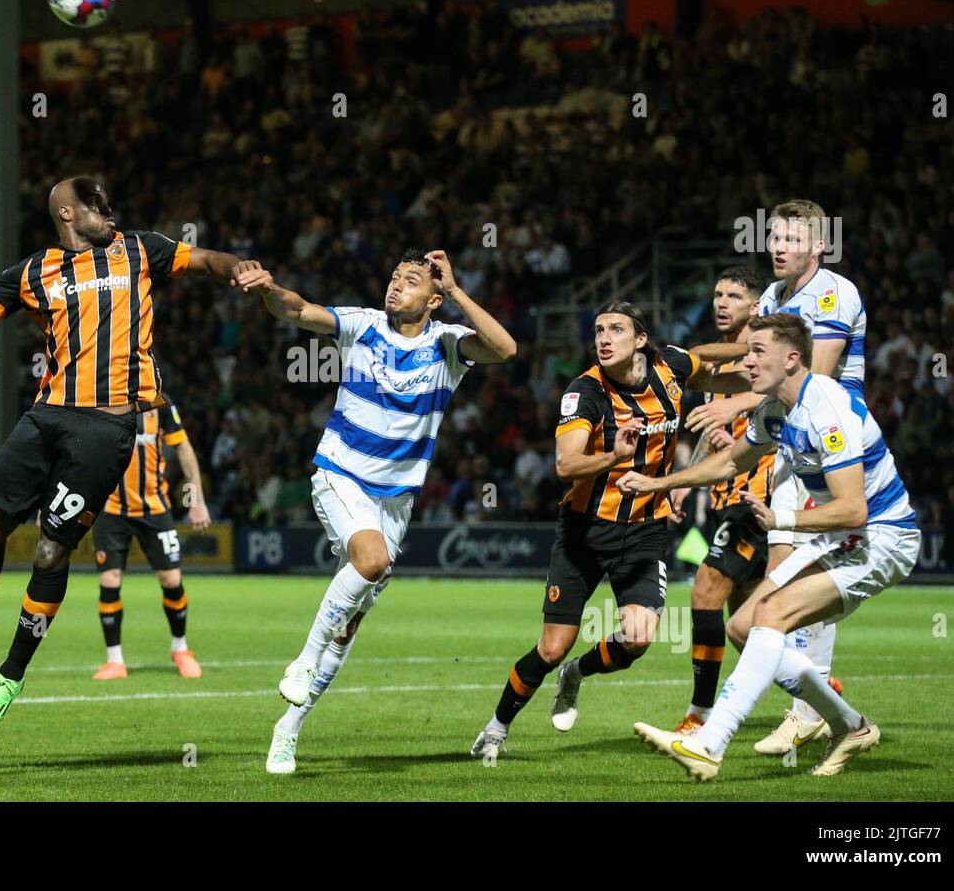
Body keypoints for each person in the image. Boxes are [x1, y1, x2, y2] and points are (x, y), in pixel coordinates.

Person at [0, 175, 265, 728]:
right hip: (45, 417)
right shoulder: (33, 272)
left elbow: (207, 259)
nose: (109, 211)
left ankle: (11, 674)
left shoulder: (141, 249)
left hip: (103, 430)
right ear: (68, 214)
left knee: (49, 550)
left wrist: (238, 265)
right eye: (97, 206)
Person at [244, 249, 516, 773]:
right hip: (340, 473)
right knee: (369, 562)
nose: (396, 286)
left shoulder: (447, 343)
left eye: (411, 281)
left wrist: (458, 291)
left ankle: (289, 729)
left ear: (434, 300)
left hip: (396, 501)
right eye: (393, 276)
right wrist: (267, 290)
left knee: (349, 627)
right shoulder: (364, 326)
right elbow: (298, 311)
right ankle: (302, 661)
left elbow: (505, 348)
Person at [623, 313, 919, 779]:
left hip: (884, 537)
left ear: (793, 357)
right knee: (743, 625)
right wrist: (660, 483)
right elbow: (730, 462)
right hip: (843, 536)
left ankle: (709, 743)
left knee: (771, 615)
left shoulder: (828, 410)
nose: (748, 359)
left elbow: (853, 509)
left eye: (758, 351)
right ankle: (850, 725)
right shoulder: (778, 409)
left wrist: (782, 518)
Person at [469, 302, 751, 762]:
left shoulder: (670, 368)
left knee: (638, 639)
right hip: (584, 532)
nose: (604, 338)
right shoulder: (585, 392)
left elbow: (710, 362)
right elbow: (565, 464)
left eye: (616, 329)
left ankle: (578, 674)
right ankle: (498, 726)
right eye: (599, 329)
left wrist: (755, 356)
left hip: (644, 529)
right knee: (552, 646)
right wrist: (614, 455)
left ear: (640, 340)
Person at [689, 200, 863, 753]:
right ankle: (810, 706)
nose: (778, 246)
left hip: (832, 447)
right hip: (790, 444)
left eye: (791, 237)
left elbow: (813, 376)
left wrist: (732, 403)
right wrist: (686, 363)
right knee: (783, 579)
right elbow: (748, 354)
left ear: (818, 245)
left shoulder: (835, 293)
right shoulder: (771, 299)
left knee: (805, 572)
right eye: (774, 237)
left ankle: (807, 707)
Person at [670, 266, 775, 733]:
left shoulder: (765, 356)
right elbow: (711, 433)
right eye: (716, 293)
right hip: (723, 496)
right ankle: (816, 690)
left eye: (733, 295)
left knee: (704, 594)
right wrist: (683, 484)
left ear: (756, 305)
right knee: (747, 625)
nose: (721, 302)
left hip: (756, 497)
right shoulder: (720, 368)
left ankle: (700, 714)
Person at [91, 392, 210, 680]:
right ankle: (114, 660)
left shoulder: (162, 404)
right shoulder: (100, 399)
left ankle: (181, 649)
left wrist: (195, 500)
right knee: (110, 579)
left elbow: (183, 449)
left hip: (155, 508)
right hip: (111, 508)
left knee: (171, 579)